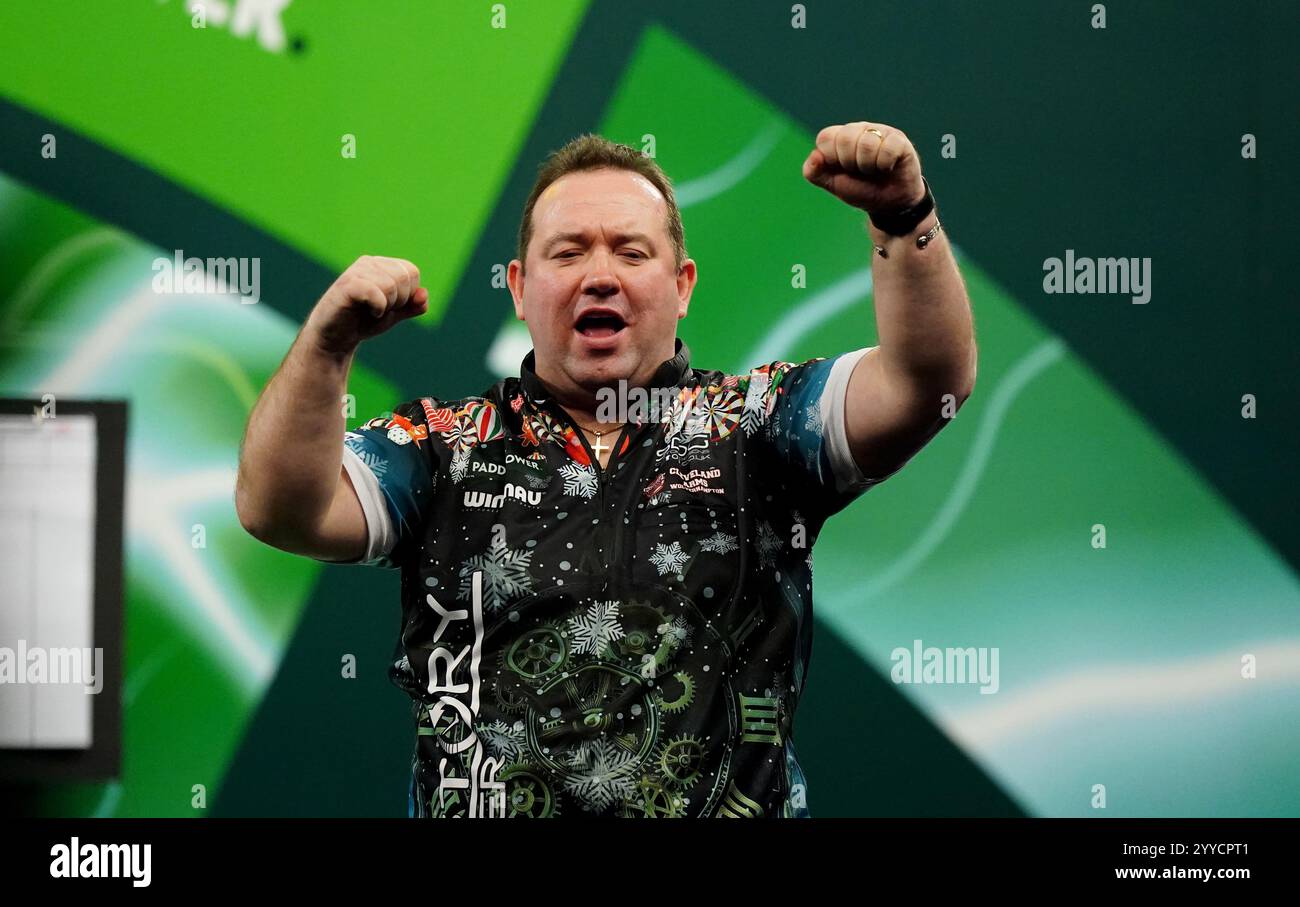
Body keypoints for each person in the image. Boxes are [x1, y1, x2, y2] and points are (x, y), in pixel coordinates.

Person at [235, 126, 977, 818]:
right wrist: (328, 345)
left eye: (630, 251)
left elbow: (926, 384)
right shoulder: (442, 444)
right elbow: (279, 506)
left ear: (682, 284)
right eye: (568, 253)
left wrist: (903, 216)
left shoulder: (760, 425)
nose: (600, 275)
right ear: (520, 287)